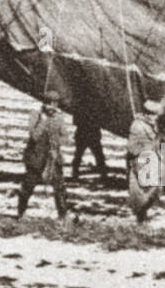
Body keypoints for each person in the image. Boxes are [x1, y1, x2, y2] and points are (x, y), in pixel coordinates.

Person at [16, 91, 69, 224]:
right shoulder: (36, 115)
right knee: (28, 185)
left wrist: (56, 144)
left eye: (55, 103)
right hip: (36, 157)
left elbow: (65, 137)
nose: (53, 106)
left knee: (60, 187)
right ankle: (21, 212)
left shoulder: (59, 117)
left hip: (53, 157)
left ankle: (62, 215)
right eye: (50, 103)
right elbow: (34, 136)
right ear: (45, 103)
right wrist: (43, 121)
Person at [127, 97, 165, 222]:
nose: (156, 117)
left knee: (155, 188)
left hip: (152, 159)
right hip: (142, 160)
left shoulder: (151, 124)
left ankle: (143, 212)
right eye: (154, 114)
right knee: (142, 190)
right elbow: (132, 147)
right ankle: (141, 216)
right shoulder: (138, 125)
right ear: (148, 114)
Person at [70, 110, 109, 182]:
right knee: (98, 155)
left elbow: (75, 121)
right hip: (92, 133)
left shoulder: (79, 105)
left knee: (79, 154)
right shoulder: (97, 105)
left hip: (82, 133)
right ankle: (103, 174)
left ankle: (75, 173)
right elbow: (102, 120)